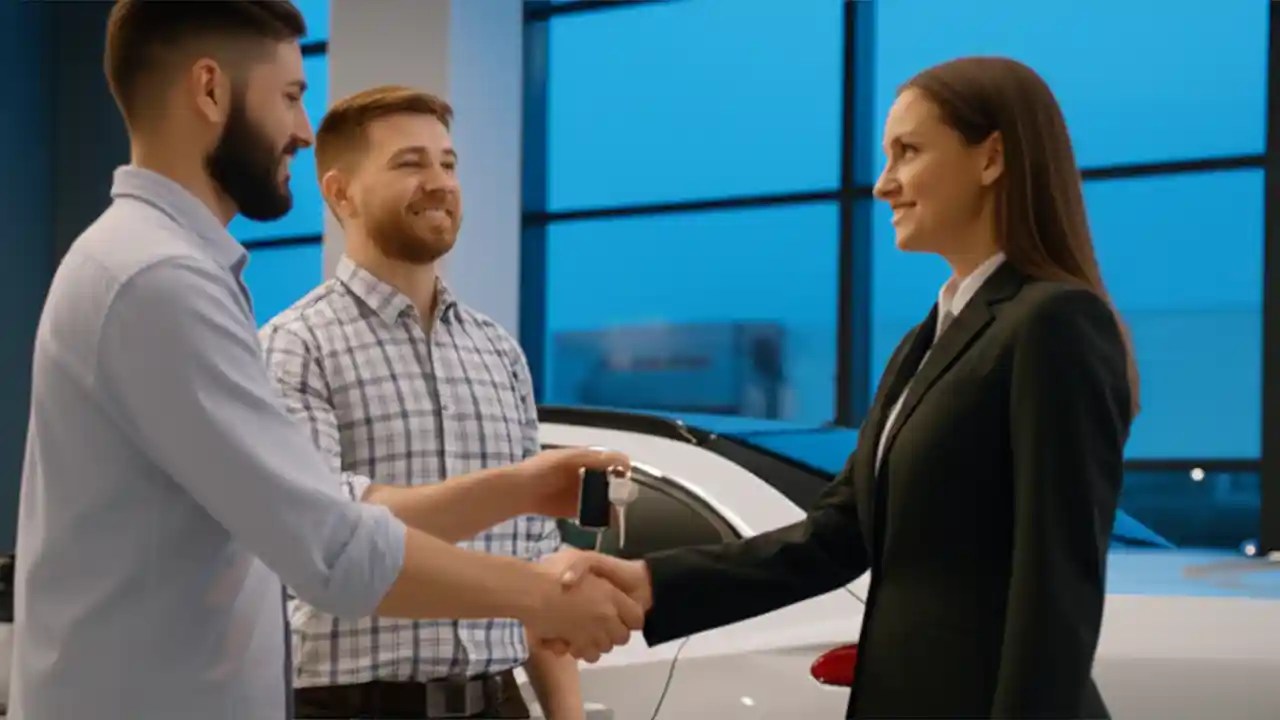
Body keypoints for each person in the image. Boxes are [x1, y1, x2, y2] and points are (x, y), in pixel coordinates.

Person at [10, 3, 639, 719]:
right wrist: (546, 596)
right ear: (210, 90)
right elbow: (330, 546)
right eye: (289, 96)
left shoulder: (147, 264)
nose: (304, 131)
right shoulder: (160, 280)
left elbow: (325, 513)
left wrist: (521, 489)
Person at [556, 56, 1139, 719]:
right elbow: (835, 537)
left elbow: (1056, 586)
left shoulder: (1052, 323)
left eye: (908, 152)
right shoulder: (929, 339)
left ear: (992, 158)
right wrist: (648, 582)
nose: (883, 184)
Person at [259, 85, 582, 720]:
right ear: (341, 194)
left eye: (448, 163)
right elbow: (325, 538)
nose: (439, 182)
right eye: (410, 163)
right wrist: (521, 487)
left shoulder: (499, 352)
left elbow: (538, 559)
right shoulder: (295, 346)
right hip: (352, 707)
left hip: (497, 701)